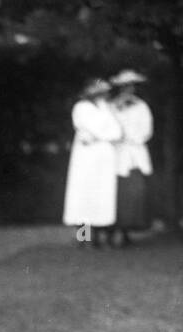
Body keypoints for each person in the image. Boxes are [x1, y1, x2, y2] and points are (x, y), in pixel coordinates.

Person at [62, 78, 122, 248]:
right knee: (83, 196)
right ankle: (83, 239)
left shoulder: (106, 108)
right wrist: (103, 134)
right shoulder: (81, 108)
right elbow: (90, 127)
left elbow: (116, 131)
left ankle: (99, 238)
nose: (101, 94)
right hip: (86, 158)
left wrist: (102, 135)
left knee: (101, 197)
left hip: (103, 158)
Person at [109, 69, 154, 246]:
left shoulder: (142, 106)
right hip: (118, 156)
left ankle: (128, 231)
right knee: (118, 195)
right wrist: (119, 137)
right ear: (120, 88)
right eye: (125, 86)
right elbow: (109, 127)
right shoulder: (112, 106)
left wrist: (133, 138)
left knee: (135, 194)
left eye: (132, 86)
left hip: (135, 154)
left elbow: (147, 130)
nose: (129, 89)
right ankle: (113, 232)